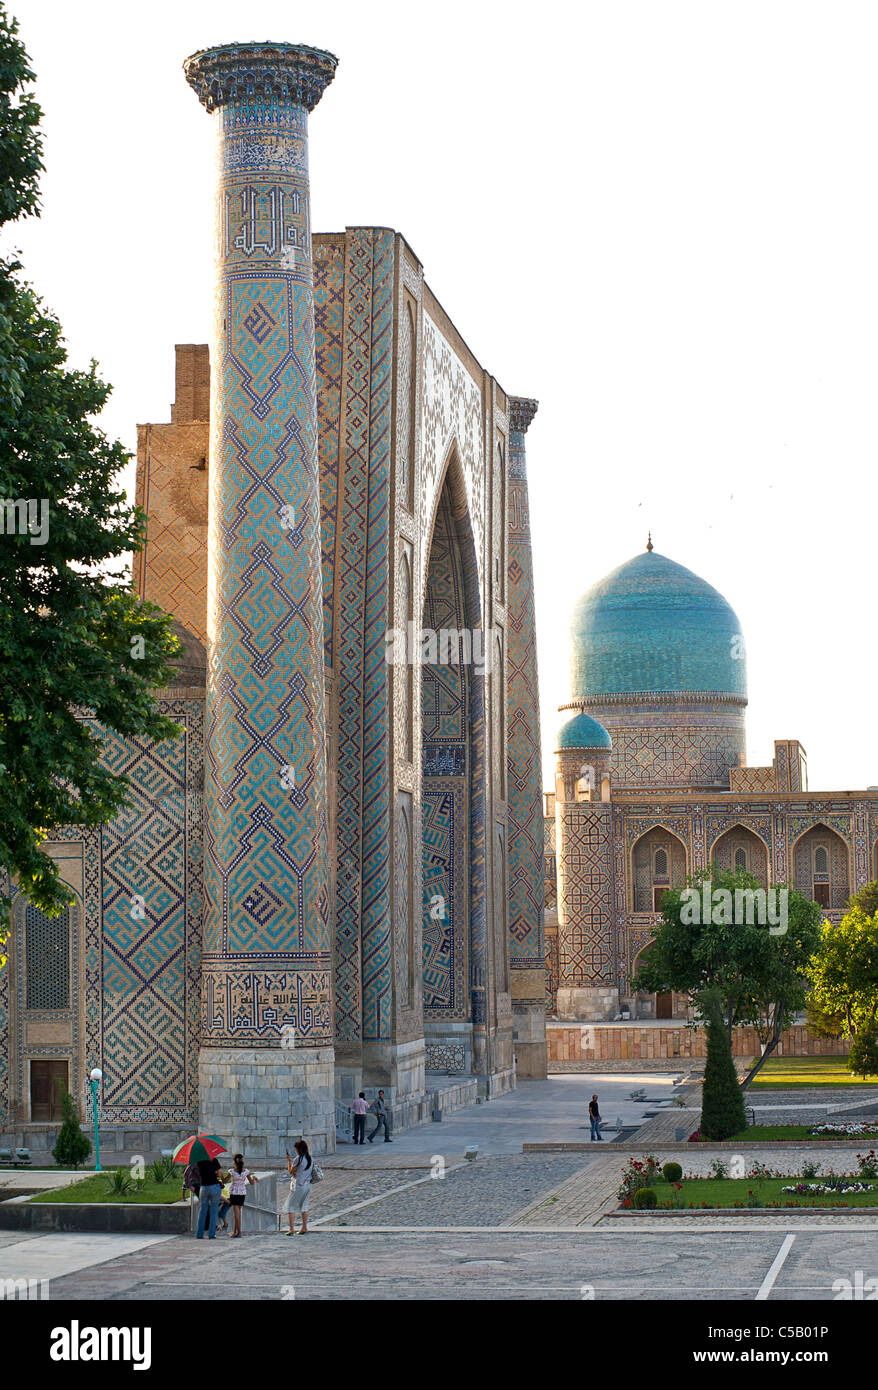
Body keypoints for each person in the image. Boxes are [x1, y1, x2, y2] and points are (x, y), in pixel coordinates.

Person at [223, 1153, 258, 1238]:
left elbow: (224, 1181)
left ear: (234, 1161)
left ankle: (239, 1232)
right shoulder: (246, 1171)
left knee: (236, 1214)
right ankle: (234, 1231)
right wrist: (254, 1178)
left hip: (234, 1193)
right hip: (242, 1193)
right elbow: (252, 1183)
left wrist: (220, 1176)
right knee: (238, 1214)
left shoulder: (231, 1171)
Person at [285, 1139, 313, 1235]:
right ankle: (304, 1227)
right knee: (304, 1206)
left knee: (290, 1206)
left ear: (299, 1149)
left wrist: (288, 1161)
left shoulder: (298, 1159)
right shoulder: (310, 1158)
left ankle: (291, 1229)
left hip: (298, 1185)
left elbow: (291, 1172)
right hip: (308, 1185)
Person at [195, 1152, 223, 1238]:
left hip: (203, 1188)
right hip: (214, 1186)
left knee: (202, 1210)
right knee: (214, 1211)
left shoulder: (199, 1162)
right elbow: (219, 1174)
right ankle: (211, 1234)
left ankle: (199, 1234)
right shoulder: (214, 1160)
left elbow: (198, 1174)